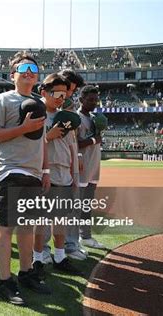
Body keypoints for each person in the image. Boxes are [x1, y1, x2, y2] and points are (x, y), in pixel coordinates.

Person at [0, 52, 52, 306]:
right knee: (6, 225)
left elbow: (43, 140)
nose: (28, 71)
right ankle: (5, 281)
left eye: (33, 68)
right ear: (13, 75)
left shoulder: (39, 103)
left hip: (33, 173)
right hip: (9, 170)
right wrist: (23, 129)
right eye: (23, 67)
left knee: (27, 226)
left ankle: (26, 273)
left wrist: (45, 171)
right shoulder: (3, 100)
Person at [34, 73, 82, 276]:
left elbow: (71, 146)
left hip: (64, 173)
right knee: (41, 220)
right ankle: (37, 258)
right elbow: (29, 145)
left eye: (64, 94)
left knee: (60, 219)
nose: (61, 98)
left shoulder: (67, 116)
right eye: (56, 93)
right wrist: (47, 136)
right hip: (44, 172)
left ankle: (60, 256)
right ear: (44, 92)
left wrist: (74, 176)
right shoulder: (35, 113)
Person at [58, 69, 90, 261]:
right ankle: (46, 250)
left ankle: (71, 245)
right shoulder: (51, 101)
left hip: (70, 153)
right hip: (54, 157)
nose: (72, 93)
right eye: (72, 88)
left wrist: (77, 153)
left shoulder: (68, 103)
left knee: (72, 203)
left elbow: (72, 135)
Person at [76, 85, 105, 250]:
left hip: (94, 166)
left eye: (96, 100)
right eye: (90, 100)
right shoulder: (76, 118)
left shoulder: (95, 118)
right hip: (81, 168)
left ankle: (85, 237)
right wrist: (95, 139)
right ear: (81, 100)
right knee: (76, 207)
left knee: (87, 206)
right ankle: (72, 241)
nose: (94, 103)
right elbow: (76, 143)